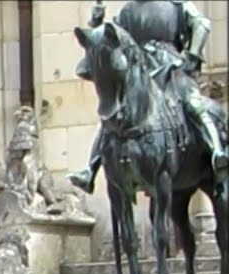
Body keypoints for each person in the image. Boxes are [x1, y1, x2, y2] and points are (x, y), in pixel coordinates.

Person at [67, 0, 226, 194]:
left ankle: (216, 151)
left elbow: (202, 24)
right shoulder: (127, 11)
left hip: (171, 68)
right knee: (112, 116)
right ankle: (90, 169)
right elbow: (109, 38)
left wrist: (192, 55)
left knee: (193, 103)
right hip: (141, 73)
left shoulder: (177, 4)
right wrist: (96, 22)